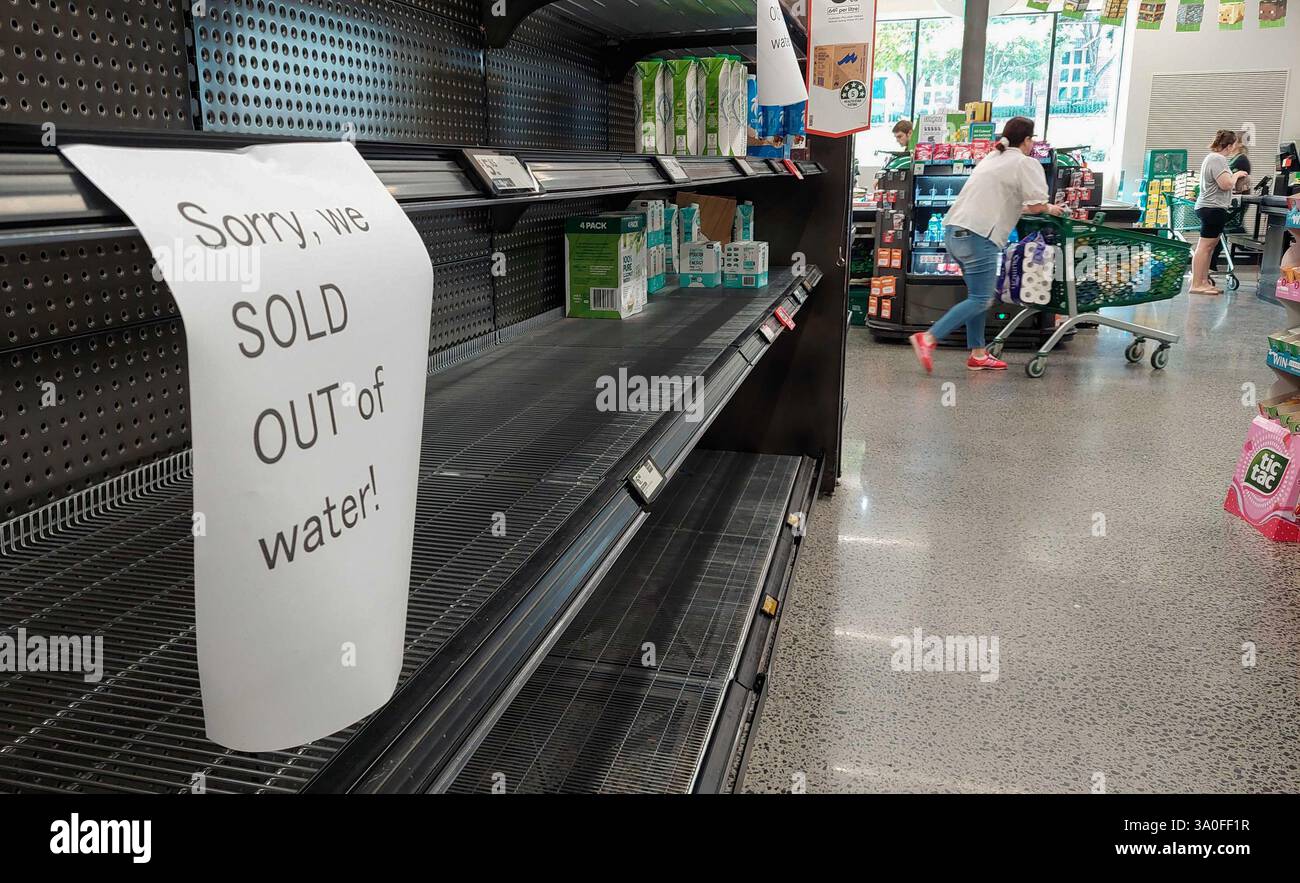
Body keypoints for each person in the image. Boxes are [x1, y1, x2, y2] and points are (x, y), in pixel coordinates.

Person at [909, 116, 1066, 373]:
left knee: (976, 296)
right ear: (1027, 140)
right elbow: (1038, 205)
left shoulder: (993, 157)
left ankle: (978, 354)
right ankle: (928, 338)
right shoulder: (1024, 163)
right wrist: (1052, 208)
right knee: (981, 299)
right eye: (1031, 139)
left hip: (954, 231)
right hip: (979, 236)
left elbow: (1011, 201)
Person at [1190, 130, 1250, 295]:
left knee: (1209, 247)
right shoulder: (1218, 159)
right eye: (1233, 146)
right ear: (1229, 145)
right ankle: (1196, 283)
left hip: (1213, 207)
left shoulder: (1213, 158)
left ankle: (1203, 281)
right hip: (1211, 208)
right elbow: (1225, 184)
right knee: (1205, 246)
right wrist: (1236, 175)